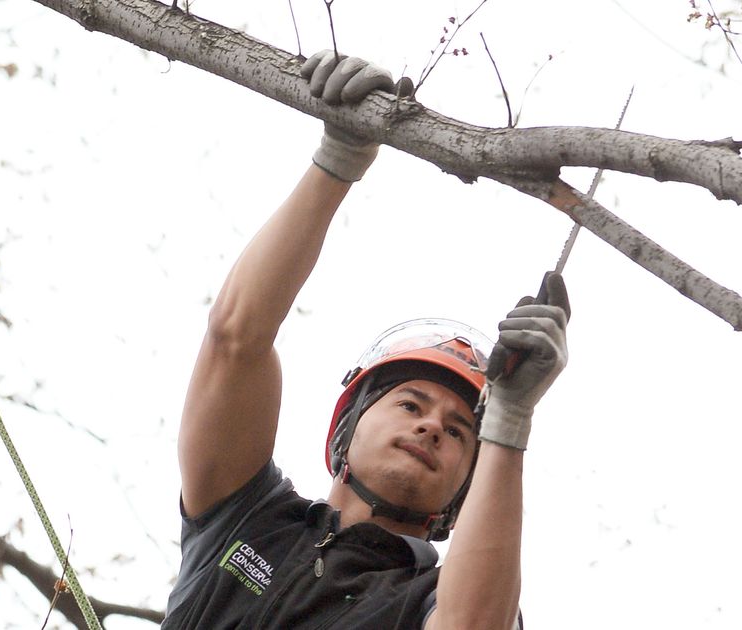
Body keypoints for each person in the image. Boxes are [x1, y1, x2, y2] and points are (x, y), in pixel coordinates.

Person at [161, 50, 571, 630]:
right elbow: (235, 339)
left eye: (458, 431)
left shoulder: (426, 602)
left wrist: (506, 421)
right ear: (349, 424)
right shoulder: (246, 519)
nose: (431, 427)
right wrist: (339, 156)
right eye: (410, 404)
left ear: (465, 490)